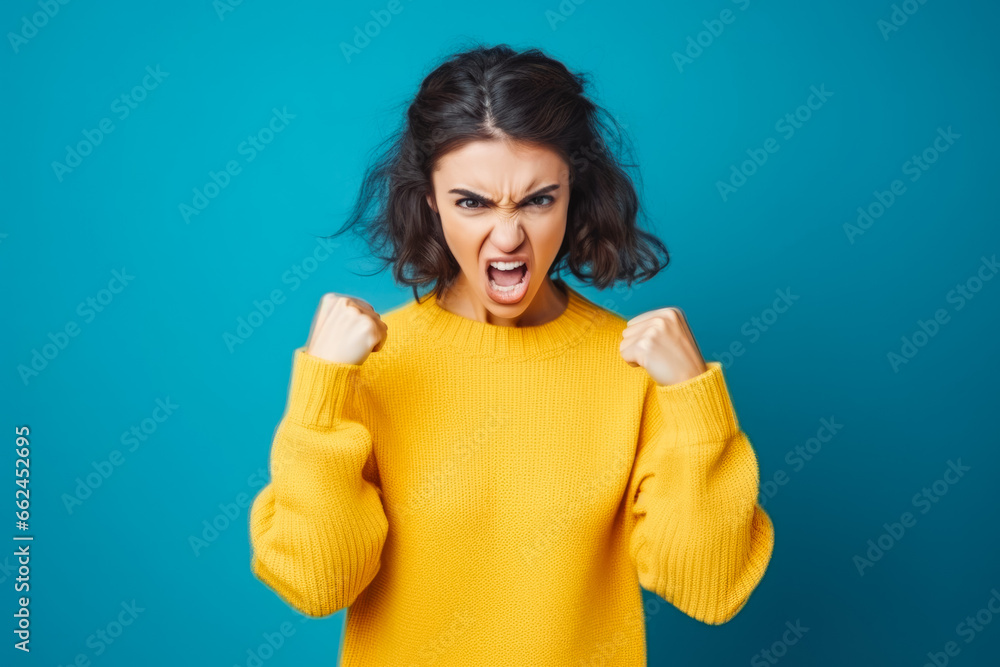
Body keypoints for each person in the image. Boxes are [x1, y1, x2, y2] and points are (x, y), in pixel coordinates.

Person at [248, 42, 774, 666]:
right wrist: (320, 399)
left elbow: (707, 589)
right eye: (472, 202)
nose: (507, 236)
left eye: (536, 199)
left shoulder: (636, 367)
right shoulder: (366, 367)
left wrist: (695, 402)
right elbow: (316, 583)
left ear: (573, 195)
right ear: (431, 204)